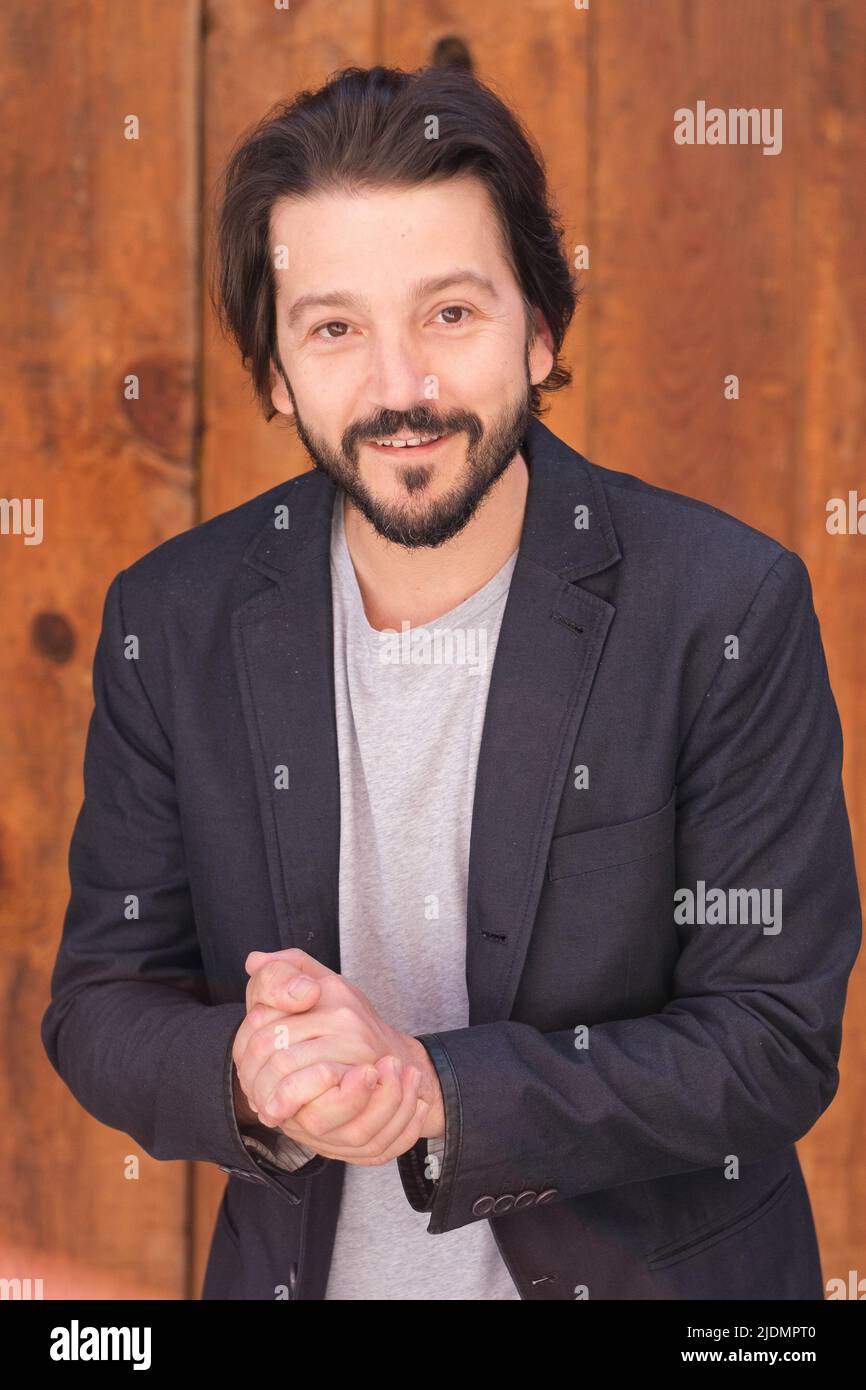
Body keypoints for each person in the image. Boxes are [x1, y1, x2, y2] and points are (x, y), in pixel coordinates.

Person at [42, 64, 861, 1301]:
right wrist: (247, 1073)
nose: (398, 388)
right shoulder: (173, 619)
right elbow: (104, 1001)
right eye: (333, 328)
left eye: (449, 314)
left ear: (538, 328)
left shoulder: (722, 606)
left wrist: (433, 1089)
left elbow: (768, 1041)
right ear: (273, 370)